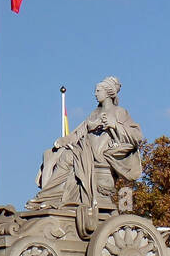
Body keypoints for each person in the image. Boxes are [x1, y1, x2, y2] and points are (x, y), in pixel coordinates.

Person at [32, 76, 143, 210]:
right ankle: (49, 197)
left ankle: (51, 197)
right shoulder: (94, 113)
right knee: (53, 155)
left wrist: (115, 125)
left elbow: (137, 136)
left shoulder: (119, 112)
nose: (95, 94)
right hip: (86, 150)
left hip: (101, 155)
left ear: (108, 92)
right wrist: (64, 141)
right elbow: (80, 132)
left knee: (68, 157)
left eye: (98, 91)